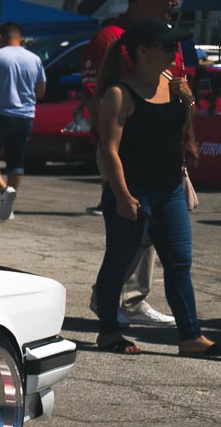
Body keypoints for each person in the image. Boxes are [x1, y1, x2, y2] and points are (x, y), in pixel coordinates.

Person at [89, 19, 213, 357]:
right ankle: (108, 332)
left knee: (179, 262)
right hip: (134, 190)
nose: (175, 52)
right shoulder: (119, 93)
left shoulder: (171, 83)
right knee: (119, 260)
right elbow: (109, 149)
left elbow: (178, 126)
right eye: (167, 46)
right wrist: (122, 194)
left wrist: (187, 107)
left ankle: (190, 337)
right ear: (143, 52)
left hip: (169, 187)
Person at [82, 0, 190, 327]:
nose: (175, 2)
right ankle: (110, 299)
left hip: (163, 153)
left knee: (154, 235)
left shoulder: (166, 37)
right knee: (130, 230)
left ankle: (133, 298)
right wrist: (112, 151)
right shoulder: (111, 37)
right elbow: (97, 96)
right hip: (124, 151)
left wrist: (186, 137)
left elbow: (177, 90)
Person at [0, 22, 46, 220]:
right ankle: (8, 205)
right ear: (20, 38)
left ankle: (4, 191)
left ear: (2, 38)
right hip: (25, 116)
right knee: (16, 161)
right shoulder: (35, 59)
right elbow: (41, 91)